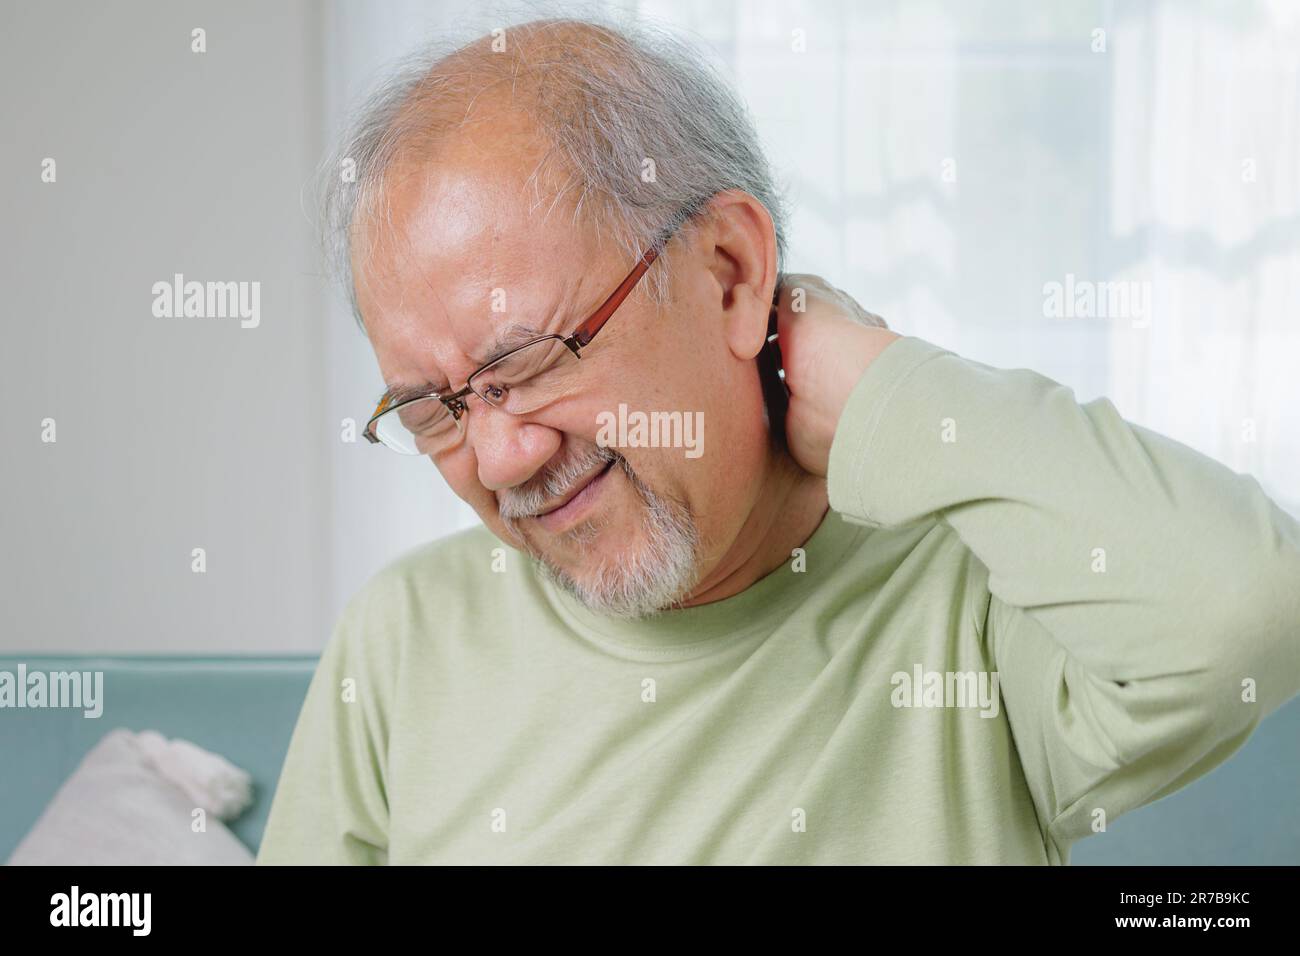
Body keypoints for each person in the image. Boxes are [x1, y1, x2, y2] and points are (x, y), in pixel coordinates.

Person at [256, 17, 1300, 865]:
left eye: (528, 359)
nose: (500, 460)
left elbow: (1249, 607)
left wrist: (875, 380)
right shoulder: (402, 637)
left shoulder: (974, 601)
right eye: (434, 407)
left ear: (726, 272)